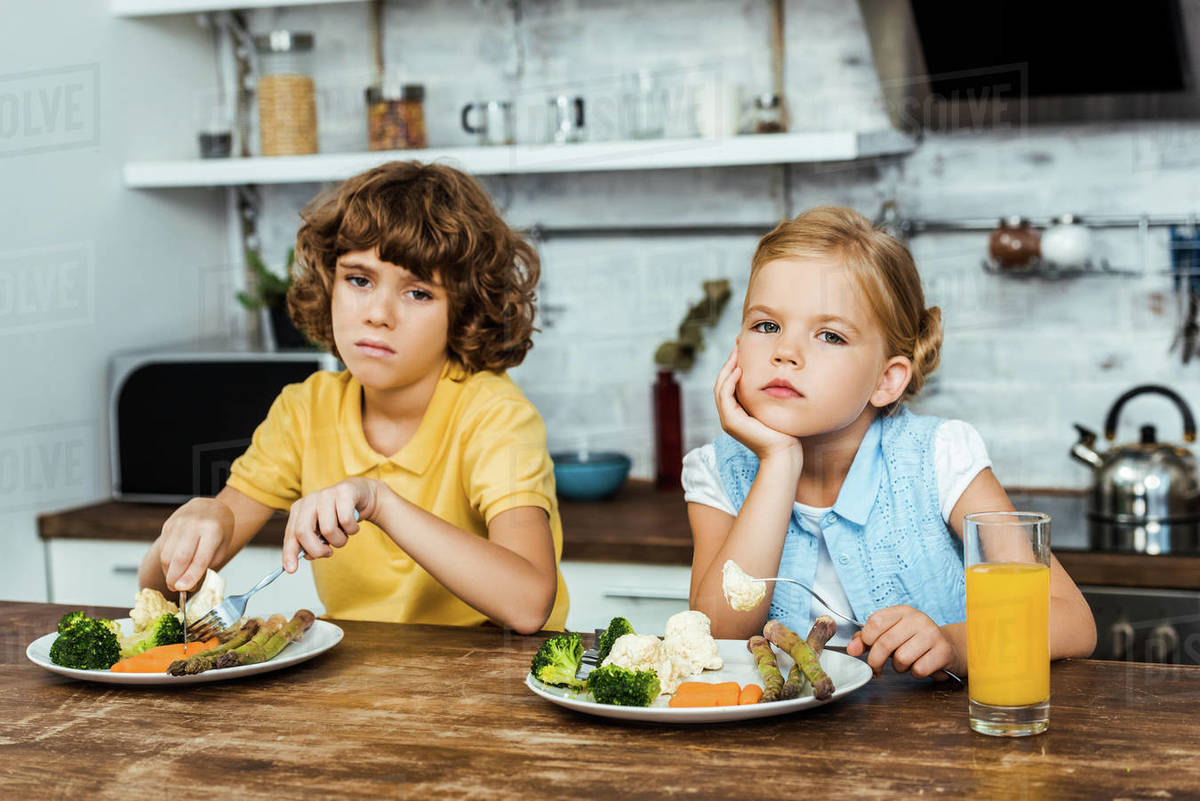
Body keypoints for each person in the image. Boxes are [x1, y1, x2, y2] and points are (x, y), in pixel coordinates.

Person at [138, 161, 568, 634]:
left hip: (488, 683)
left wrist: (379, 502)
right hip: (358, 687)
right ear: (329, 284)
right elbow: (163, 593)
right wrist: (192, 523)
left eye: (419, 293)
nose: (378, 315)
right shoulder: (305, 410)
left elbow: (529, 605)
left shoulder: (495, 415)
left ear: (463, 311)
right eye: (359, 280)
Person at [684, 206, 1096, 679]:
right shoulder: (715, 471)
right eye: (766, 326)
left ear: (886, 379)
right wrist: (777, 462)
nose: (785, 352)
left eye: (830, 335)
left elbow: (1072, 621)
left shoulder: (939, 459)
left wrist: (952, 644)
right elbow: (718, 637)